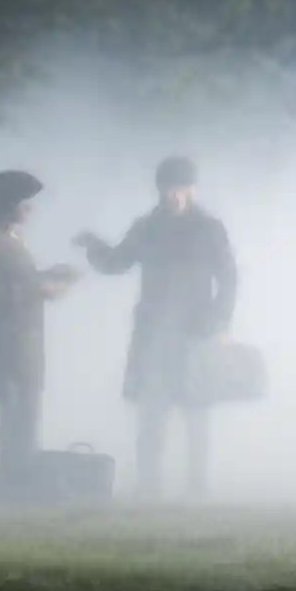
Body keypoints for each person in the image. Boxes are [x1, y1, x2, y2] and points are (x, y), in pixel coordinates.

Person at [73, 156, 237, 501]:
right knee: (152, 410)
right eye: (168, 188)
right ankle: (149, 485)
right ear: (159, 189)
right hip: (153, 332)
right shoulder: (147, 227)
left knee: (196, 412)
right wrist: (93, 246)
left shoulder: (209, 228)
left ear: (192, 189)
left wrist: (220, 322)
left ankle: (197, 486)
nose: (173, 195)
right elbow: (116, 262)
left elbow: (228, 278)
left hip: (196, 331)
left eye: (180, 188)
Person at [0, 170, 80, 504]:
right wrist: (41, 288)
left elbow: (18, 283)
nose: (30, 209)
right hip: (4, 347)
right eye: (25, 203)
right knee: (15, 424)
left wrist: (51, 276)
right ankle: (8, 496)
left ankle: (17, 494)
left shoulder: (8, 238)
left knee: (24, 424)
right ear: (8, 205)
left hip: (23, 345)